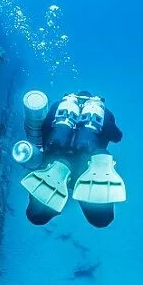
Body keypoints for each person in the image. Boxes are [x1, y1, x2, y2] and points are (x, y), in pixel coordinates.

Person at [18, 90, 125, 228]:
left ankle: (88, 165)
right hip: (56, 155)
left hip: (78, 163)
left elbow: (43, 127)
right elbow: (118, 137)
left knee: (39, 214)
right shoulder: (105, 114)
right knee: (101, 219)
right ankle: (95, 164)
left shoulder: (57, 106)